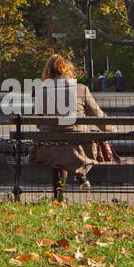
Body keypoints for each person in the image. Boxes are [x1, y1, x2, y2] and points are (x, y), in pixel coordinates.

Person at [28, 53, 114, 195]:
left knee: (58, 148)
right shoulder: (81, 89)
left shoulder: (39, 91)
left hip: (48, 151)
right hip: (81, 151)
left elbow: (39, 123)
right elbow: (99, 118)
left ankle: (59, 196)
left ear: (47, 73)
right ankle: (81, 176)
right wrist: (113, 132)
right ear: (69, 72)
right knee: (72, 143)